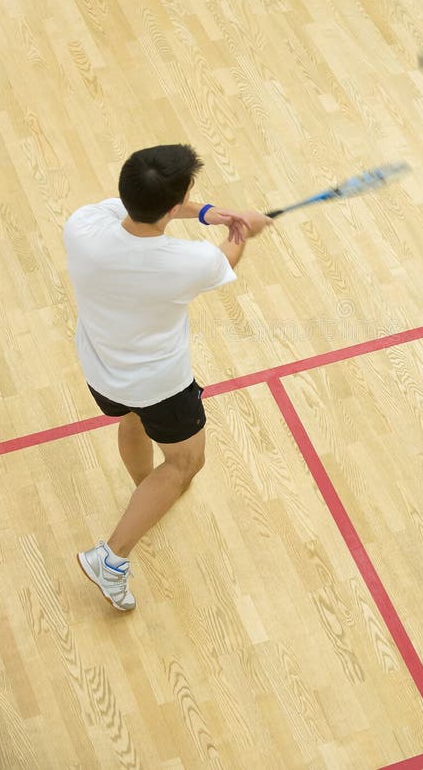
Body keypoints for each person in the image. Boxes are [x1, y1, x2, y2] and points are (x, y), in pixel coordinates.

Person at [63, 144, 273, 611]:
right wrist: (243, 230)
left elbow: (138, 210)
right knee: (184, 464)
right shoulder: (184, 263)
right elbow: (225, 262)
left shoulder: (81, 227)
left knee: (132, 421)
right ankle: (111, 559)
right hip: (161, 386)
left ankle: (146, 488)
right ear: (174, 204)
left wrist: (208, 214)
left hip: (101, 369)